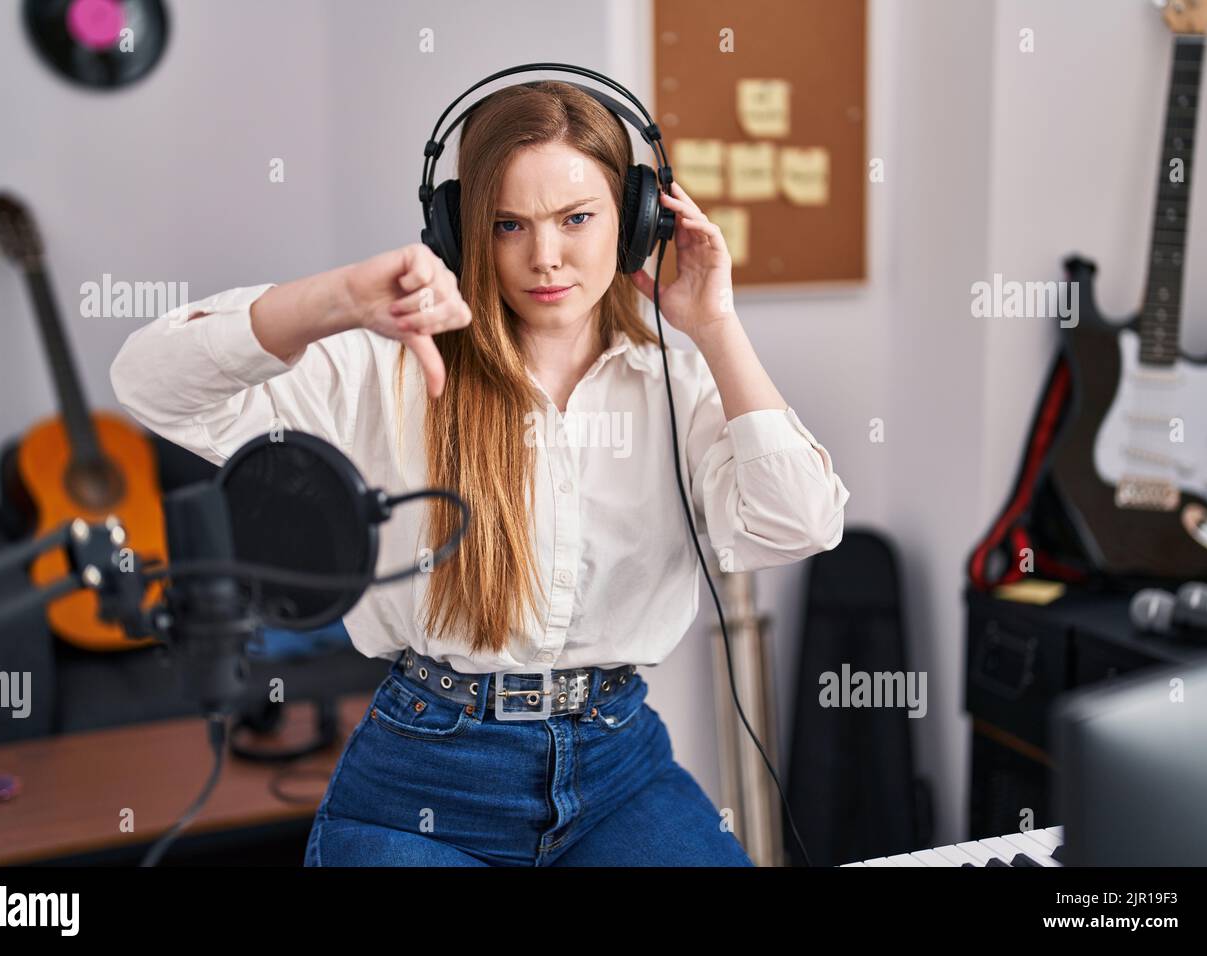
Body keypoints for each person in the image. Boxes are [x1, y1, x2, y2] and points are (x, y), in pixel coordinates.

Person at [109, 80, 850, 866]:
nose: (546, 257)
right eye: (508, 225)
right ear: (462, 233)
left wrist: (715, 324)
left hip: (619, 766)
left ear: (638, 221)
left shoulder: (677, 381)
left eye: (576, 218)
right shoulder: (388, 366)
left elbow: (801, 522)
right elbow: (152, 382)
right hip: (423, 780)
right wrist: (337, 299)